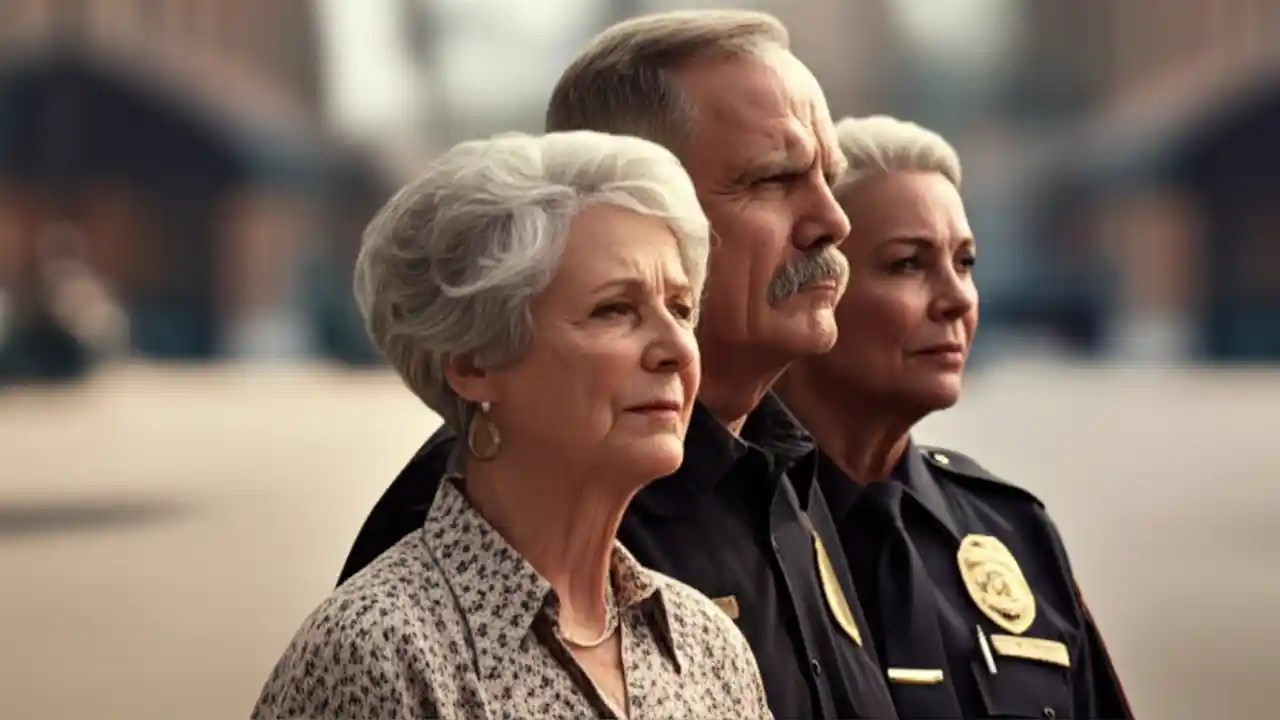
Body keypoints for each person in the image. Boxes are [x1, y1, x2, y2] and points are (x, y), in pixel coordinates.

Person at [336, 11, 899, 720]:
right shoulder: (481, 518)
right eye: (773, 179)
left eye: (828, 176)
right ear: (629, 194)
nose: (833, 220)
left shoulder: (785, 474)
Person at [253, 131, 773, 719]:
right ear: (476, 363)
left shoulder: (707, 644)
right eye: (615, 310)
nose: (677, 347)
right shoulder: (381, 650)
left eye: (681, 308)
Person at [776, 115, 1133, 719]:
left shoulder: (1011, 531)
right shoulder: (724, 529)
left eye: (965, 263)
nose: (957, 298)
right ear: (809, 289)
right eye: (907, 264)